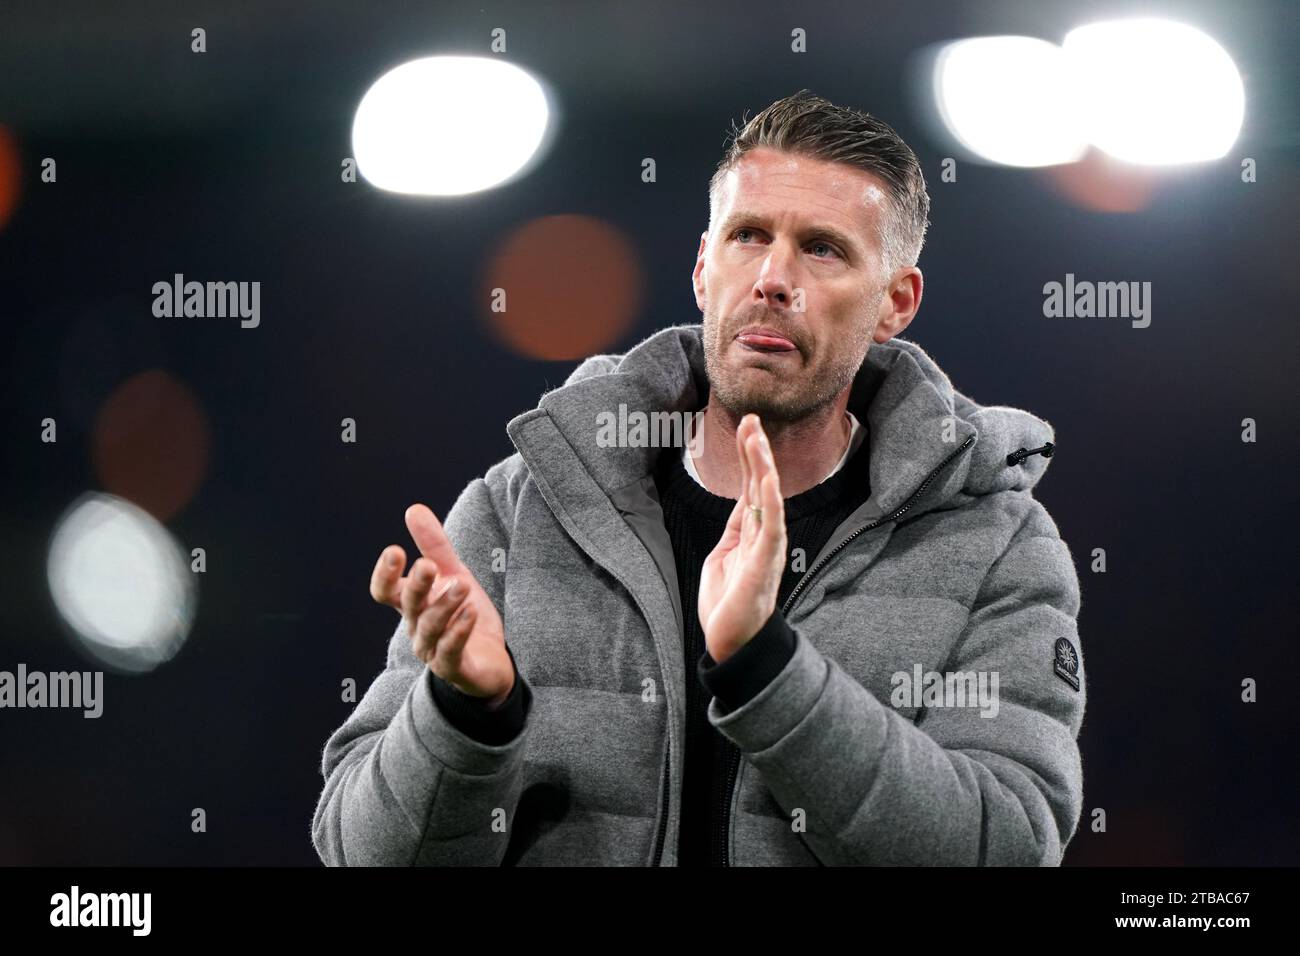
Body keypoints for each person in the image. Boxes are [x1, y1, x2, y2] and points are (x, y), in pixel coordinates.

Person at [311, 89, 1085, 866]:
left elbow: (1010, 845)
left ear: (896, 303)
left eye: (823, 249)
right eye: (748, 236)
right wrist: (466, 714)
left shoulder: (994, 543)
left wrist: (767, 670)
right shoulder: (522, 511)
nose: (774, 278)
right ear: (703, 270)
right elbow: (357, 850)